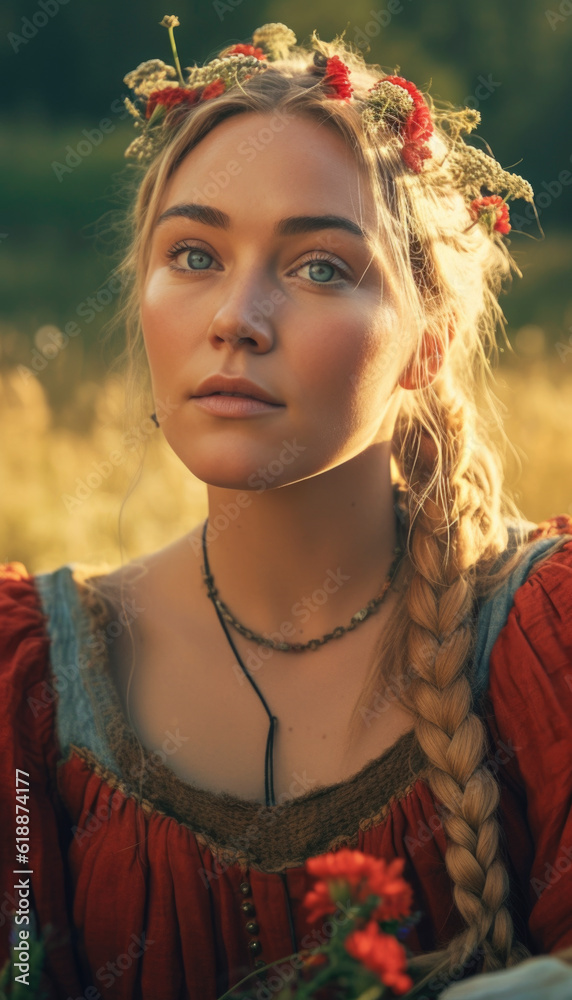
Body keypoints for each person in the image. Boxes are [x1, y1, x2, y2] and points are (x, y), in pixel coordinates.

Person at [1, 15, 571, 1000]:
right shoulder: (29, 694)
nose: (234, 317)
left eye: (316, 267)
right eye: (193, 256)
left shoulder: (543, 642)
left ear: (426, 341)